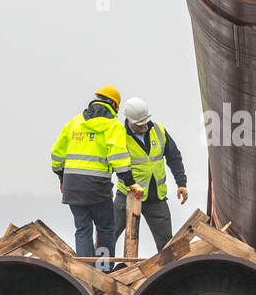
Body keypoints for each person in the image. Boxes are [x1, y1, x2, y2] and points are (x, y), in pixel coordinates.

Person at [51, 85, 143, 260]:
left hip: (72, 187)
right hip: (97, 188)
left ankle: (85, 272)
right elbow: (119, 158)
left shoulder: (75, 122)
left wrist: (61, 178)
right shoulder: (113, 126)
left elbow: (56, 154)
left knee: (82, 229)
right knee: (105, 228)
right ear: (115, 106)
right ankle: (103, 271)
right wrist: (130, 183)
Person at [113, 96, 188, 252]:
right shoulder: (119, 136)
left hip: (156, 199)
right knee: (108, 236)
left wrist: (181, 183)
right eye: (139, 124)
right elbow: (112, 164)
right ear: (129, 120)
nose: (143, 126)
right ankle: (100, 270)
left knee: (167, 245)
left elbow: (174, 157)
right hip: (127, 196)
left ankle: (169, 274)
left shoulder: (159, 130)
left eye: (145, 121)